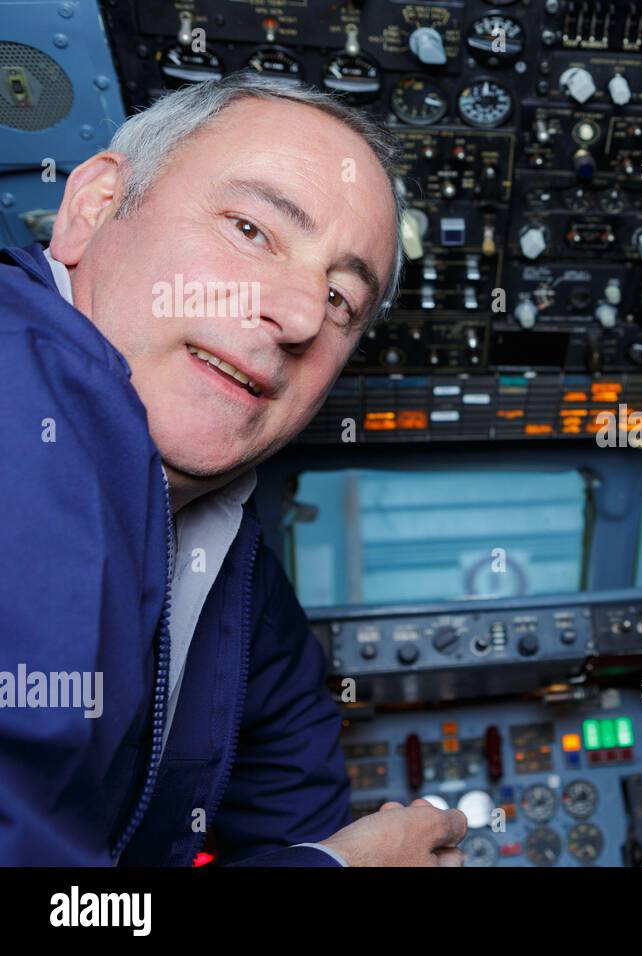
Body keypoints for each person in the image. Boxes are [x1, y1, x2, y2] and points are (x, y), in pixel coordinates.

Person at [0, 72, 466, 866]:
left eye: (340, 300)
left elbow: (293, 786)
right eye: (250, 230)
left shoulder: (225, 554)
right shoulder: (23, 411)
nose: (295, 316)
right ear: (93, 208)